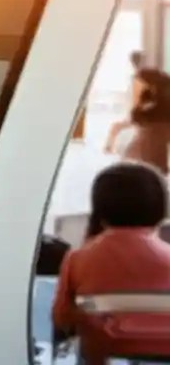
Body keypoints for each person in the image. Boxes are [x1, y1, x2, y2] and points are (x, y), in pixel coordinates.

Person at [52, 162, 170, 353]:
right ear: (159, 209)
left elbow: (61, 318)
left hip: (101, 357)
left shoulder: (78, 258)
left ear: (101, 211)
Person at [105, 68, 170, 174]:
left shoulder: (153, 126)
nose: (132, 93)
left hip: (144, 172)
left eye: (136, 88)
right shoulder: (141, 118)